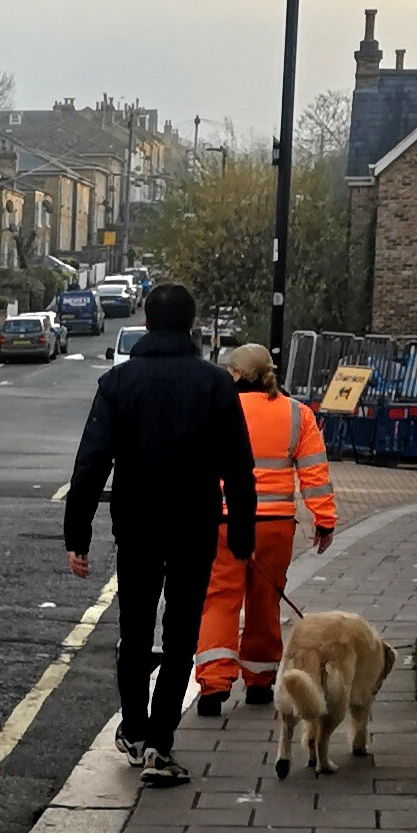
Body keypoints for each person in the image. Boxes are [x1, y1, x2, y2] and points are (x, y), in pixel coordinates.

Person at [62, 282, 256, 787]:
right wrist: (240, 534)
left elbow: (89, 465)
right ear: (191, 325)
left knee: (135, 631)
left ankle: (133, 725)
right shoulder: (215, 384)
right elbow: (239, 467)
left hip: (138, 526)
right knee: (180, 637)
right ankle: (160, 743)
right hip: (194, 526)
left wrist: (77, 535)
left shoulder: (119, 383)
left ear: (147, 323)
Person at [193, 342, 336, 715]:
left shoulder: (219, 408)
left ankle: (213, 685)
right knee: (265, 601)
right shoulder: (297, 414)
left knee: (220, 599)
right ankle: (259, 681)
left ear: (237, 374)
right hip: (276, 525)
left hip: (225, 519)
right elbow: (315, 473)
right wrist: (323, 519)